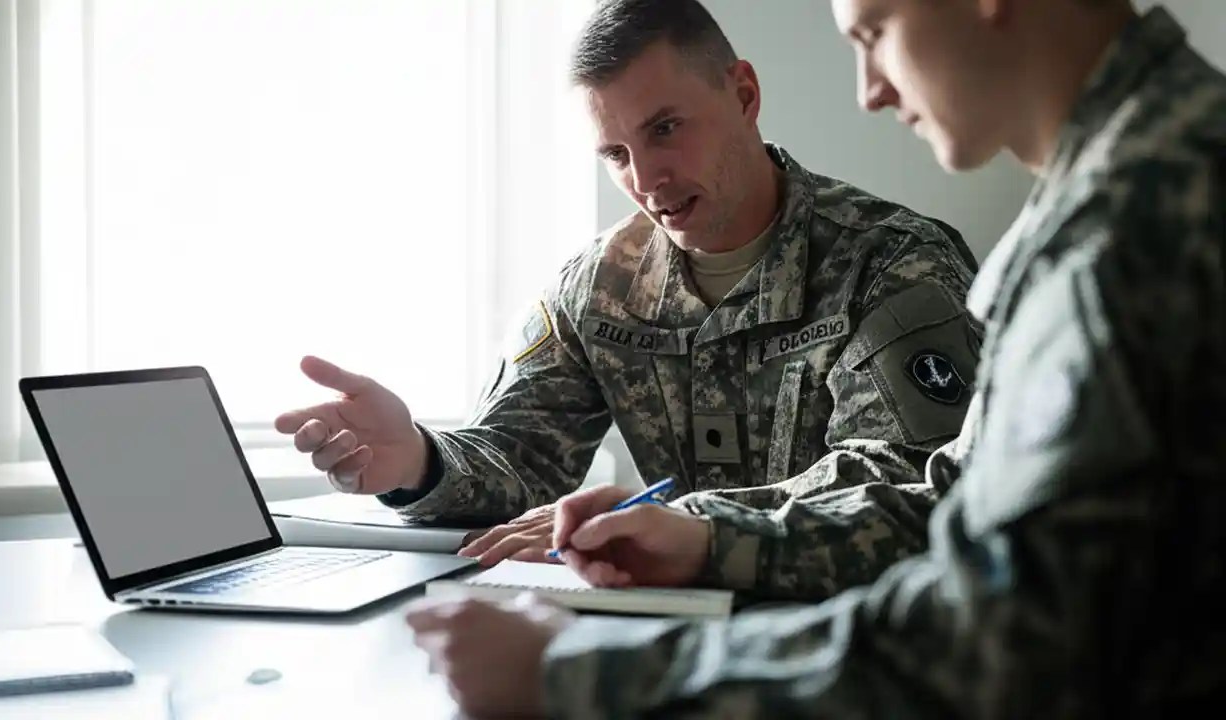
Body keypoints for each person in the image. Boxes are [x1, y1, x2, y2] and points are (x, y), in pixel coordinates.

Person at [405, 0, 1226, 717]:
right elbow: (953, 503)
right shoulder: (1136, 185)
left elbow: (997, 642)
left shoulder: (1138, 227)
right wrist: (710, 540)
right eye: (616, 153)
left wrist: (581, 675)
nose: (871, 91)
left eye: (874, 31)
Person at [276, 0, 981, 591]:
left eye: (664, 130)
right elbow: (523, 458)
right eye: (615, 154)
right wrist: (417, 460)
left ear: (743, 95)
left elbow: (910, 481)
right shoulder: (598, 287)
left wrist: (684, 525)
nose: (646, 180)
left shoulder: (892, 263)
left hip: (858, 641)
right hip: (664, 637)